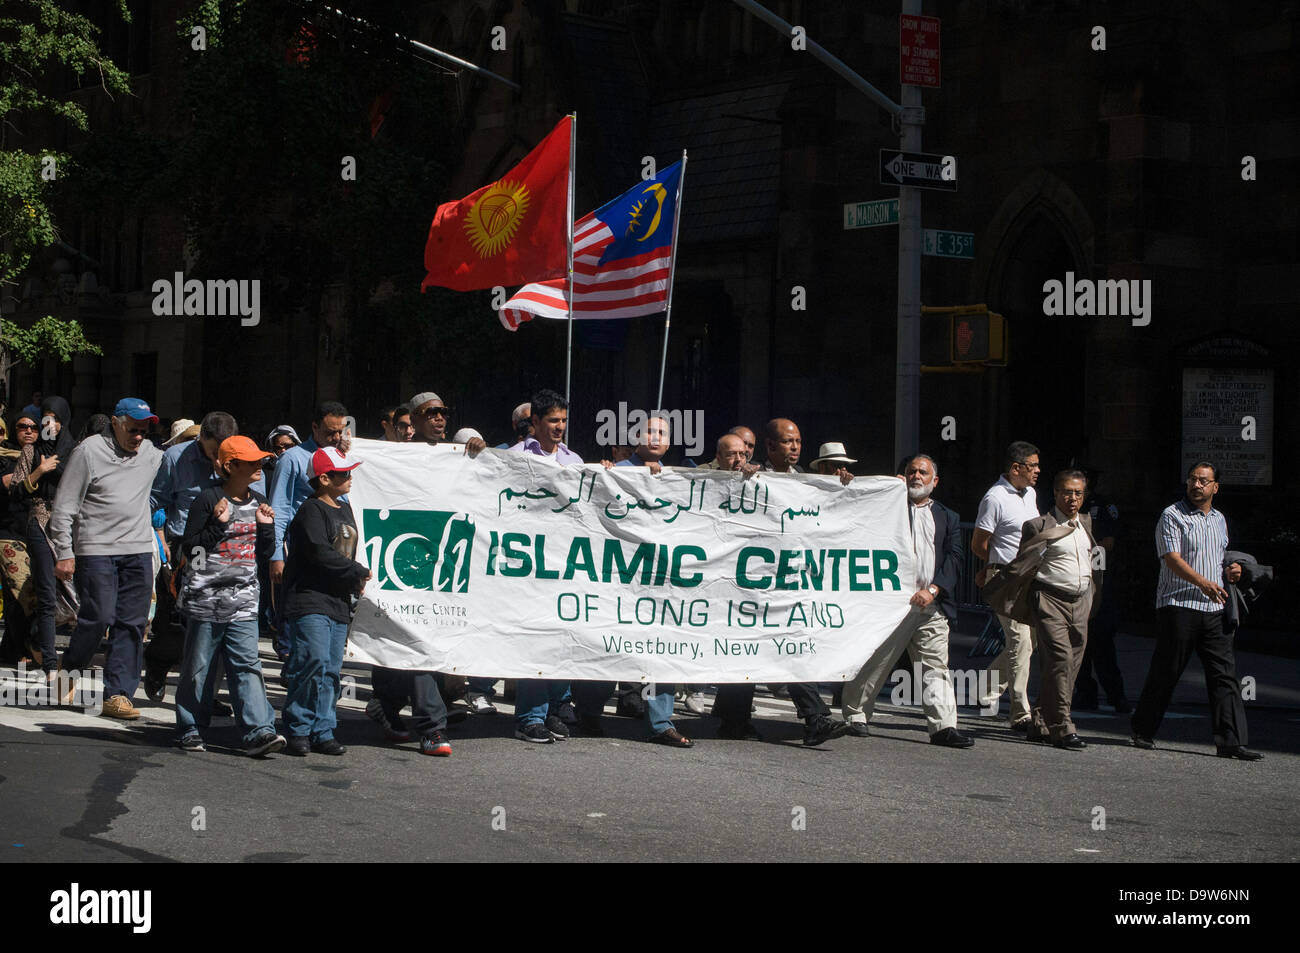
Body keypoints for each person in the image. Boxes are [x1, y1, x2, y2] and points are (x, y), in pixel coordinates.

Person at [713, 418, 849, 746]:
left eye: (798, 442)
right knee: (749, 647)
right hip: (750, 579)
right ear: (770, 446)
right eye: (788, 442)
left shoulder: (805, 480)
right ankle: (746, 719)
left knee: (788, 644)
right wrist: (741, 480)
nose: (794, 447)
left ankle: (801, 718)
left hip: (789, 582)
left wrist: (843, 486)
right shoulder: (754, 477)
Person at [1130, 462, 1261, 761]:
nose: (1197, 485)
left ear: (1215, 487)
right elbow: (1171, 558)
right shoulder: (1172, 515)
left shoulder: (1219, 519)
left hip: (1215, 608)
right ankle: (1143, 729)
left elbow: (1218, 558)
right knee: (1167, 670)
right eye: (1192, 480)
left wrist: (1232, 570)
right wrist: (1202, 581)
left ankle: (1230, 741)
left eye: (1203, 481)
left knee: (1224, 676)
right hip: (1179, 605)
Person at [841, 454, 973, 748]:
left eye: (923, 473)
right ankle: (855, 715)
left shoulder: (947, 517)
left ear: (934, 481)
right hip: (892, 605)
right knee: (878, 659)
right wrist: (887, 491)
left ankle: (943, 727)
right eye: (911, 471)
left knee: (935, 666)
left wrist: (934, 590)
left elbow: (954, 558)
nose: (916, 476)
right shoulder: (889, 508)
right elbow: (857, 516)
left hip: (931, 604)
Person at [49, 398, 165, 718]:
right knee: (98, 618)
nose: (139, 436)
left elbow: (181, 467)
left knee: (132, 624)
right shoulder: (89, 451)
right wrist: (64, 553)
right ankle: (70, 666)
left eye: (144, 430)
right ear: (115, 423)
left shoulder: (153, 456)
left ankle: (117, 694)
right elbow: (65, 505)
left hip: (138, 549)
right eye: (133, 429)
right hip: (96, 548)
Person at [173, 437, 286, 756]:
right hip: (206, 602)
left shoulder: (259, 501)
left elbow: (261, 556)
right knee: (199, 667)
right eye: (251, 462)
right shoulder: (208, 500)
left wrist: (266, 528)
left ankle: (259, 731)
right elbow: (191, 554)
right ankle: (189, 728)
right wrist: (216, 527)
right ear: (230, 466)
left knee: (247, 665)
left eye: (259, 462)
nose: (259, 467)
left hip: (245, 602)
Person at [586, 416, 695, 745]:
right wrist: (609, 471)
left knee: (660, 648)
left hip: (658, 580)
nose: (656, 437)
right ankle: (588, 712)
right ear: (635, 439)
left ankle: (661, 723)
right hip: (619, 577)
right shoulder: (614, 472)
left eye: (663, 433)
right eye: (649, 431)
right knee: (610, 647)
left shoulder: (676, 479)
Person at [145, 412, 254, 701]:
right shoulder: (176, 457)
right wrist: (159, 537)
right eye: (214, 449)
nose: (220, 455)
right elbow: (157, 499)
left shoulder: (239, 456)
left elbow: (253, 494)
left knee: (219, 621)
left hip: (230, 546)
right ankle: (158, 661)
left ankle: (207, 694)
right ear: (201, 439)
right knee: (181, 616)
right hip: (187, 545)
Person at [986, 469, 1097, 749]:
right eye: (1067, 492)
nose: (1072, 498)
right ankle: (1063, 725)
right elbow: (1023, 566)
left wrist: (1093, 595)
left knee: (1071, 664)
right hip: (1049, 600)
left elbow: (1095, 562)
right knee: (1059, 659)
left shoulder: (1086, 523)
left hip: (1080, 601)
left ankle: (1041, 720)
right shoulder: (1038, 525)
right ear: (1056, 493)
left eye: (1078, 493)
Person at [280, 446, 370, 756]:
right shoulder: (311, 510)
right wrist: (356, 570)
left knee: (331, 669)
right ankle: (298, 728)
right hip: (309, 598)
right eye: (343, 473)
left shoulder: (346, 509)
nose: (349, 478)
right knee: (312, 661)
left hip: (338, 600)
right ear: (324, 478)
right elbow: (319, 551)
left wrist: (356, 577)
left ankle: (323, 728)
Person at [507, 389, 581, 742]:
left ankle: (553, 710)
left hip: (563, 563)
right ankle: (529, 717)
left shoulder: (573, 460)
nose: (560, 427)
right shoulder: (513, 457)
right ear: (534, 422)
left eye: (564, 420)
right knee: (535, 640)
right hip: (527, 564)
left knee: (560, 640)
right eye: (553, 420)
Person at [267, 402, 351, 659]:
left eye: (340, 431)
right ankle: (294, 669)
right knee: (300, 614)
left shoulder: (343, 458)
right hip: (301, 549)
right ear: (314, 426)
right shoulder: (293, 459)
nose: (335, 437)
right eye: (329, 432)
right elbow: (279, 508)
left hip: (336, 551)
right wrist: (276, 555)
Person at [972, 440, 1043, 729]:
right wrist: (993, 565)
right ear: (1016, 468)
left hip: (1030, 576)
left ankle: (985, 690)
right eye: (1033, 466)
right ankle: (1020, 712)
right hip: (1005, 578)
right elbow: (979, 542)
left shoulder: (1030, 494)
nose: (1038, 470)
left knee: (1032, 640)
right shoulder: (994, 497)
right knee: (1020, 641)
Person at [7, 398, 76, 684]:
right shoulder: (32, 451)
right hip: (40, 522)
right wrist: (40, 470)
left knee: (81, 594)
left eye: (55, 418)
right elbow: (16, 490)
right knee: (47, 595)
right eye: (45, 418)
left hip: (72, 525)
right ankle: (49, 664)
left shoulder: (76, 451)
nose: (50, 424)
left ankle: (40, 639)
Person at [1074, 465, 1130, 712]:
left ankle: (1116, 695)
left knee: (1102, 642)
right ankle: (1086, 693)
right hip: (1075, 580)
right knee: (1078, 643)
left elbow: (1106, 544)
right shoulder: (1070, 507)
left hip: (1099, 581)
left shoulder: (1104, 507)